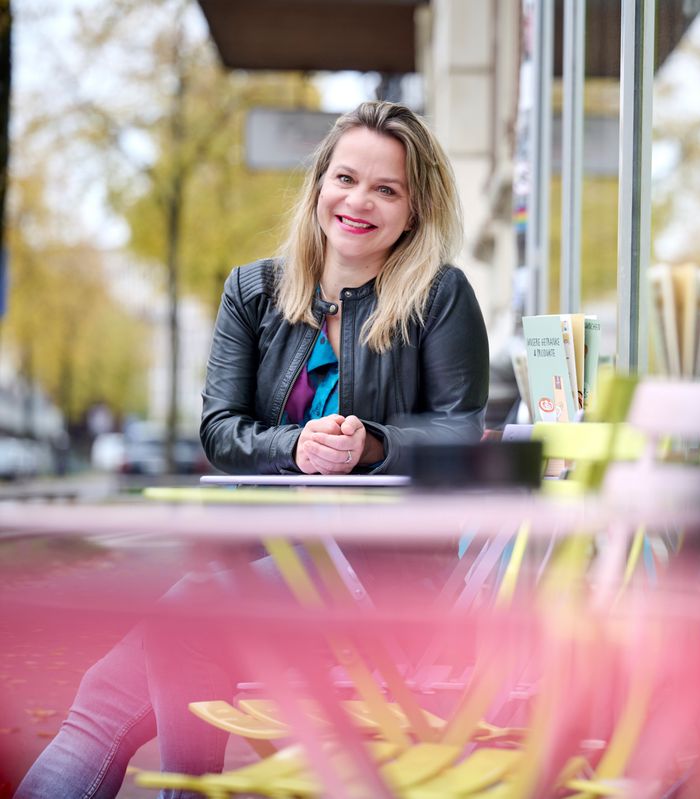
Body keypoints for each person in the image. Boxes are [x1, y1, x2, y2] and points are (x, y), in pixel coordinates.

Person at [16, 101, 489, 798]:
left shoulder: (440, 294)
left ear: (414, 210)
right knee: (103, 697)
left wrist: (372, 445)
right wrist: (295, 446)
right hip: (266, 560)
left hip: (384, 574)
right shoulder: (253, 291)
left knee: (187, 623)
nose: (358, 201)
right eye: (345, 178)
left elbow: (460, 431)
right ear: (320, 184)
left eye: (386, 189)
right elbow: (220, 430)